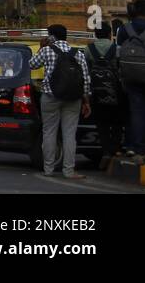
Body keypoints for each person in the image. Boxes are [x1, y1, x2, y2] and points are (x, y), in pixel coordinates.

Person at [34, 24, 91, 179]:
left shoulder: (46, 51)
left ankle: (48, 169)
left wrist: (41, 47)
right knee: (69, 134)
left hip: (50, 97)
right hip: (73, 98)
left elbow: (32, 64)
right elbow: (85, 79)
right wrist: (86, 101)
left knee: (49, 132)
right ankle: (69, 171)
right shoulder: (77, 54)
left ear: (51, 36)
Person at [86, 24, 124, 166]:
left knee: (101, 123)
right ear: (110, 34)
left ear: (95, 35)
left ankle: (107, 151)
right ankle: (116, 149)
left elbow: (86, 70)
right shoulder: (117, 49)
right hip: (115, 91)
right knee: (117, 122)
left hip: (97, 92)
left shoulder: (88, 49)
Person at [116, 0, 145, 165]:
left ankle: (139, 149)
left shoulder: (124, 29)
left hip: (131, 75)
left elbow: (119, 53)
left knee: (137, 112)